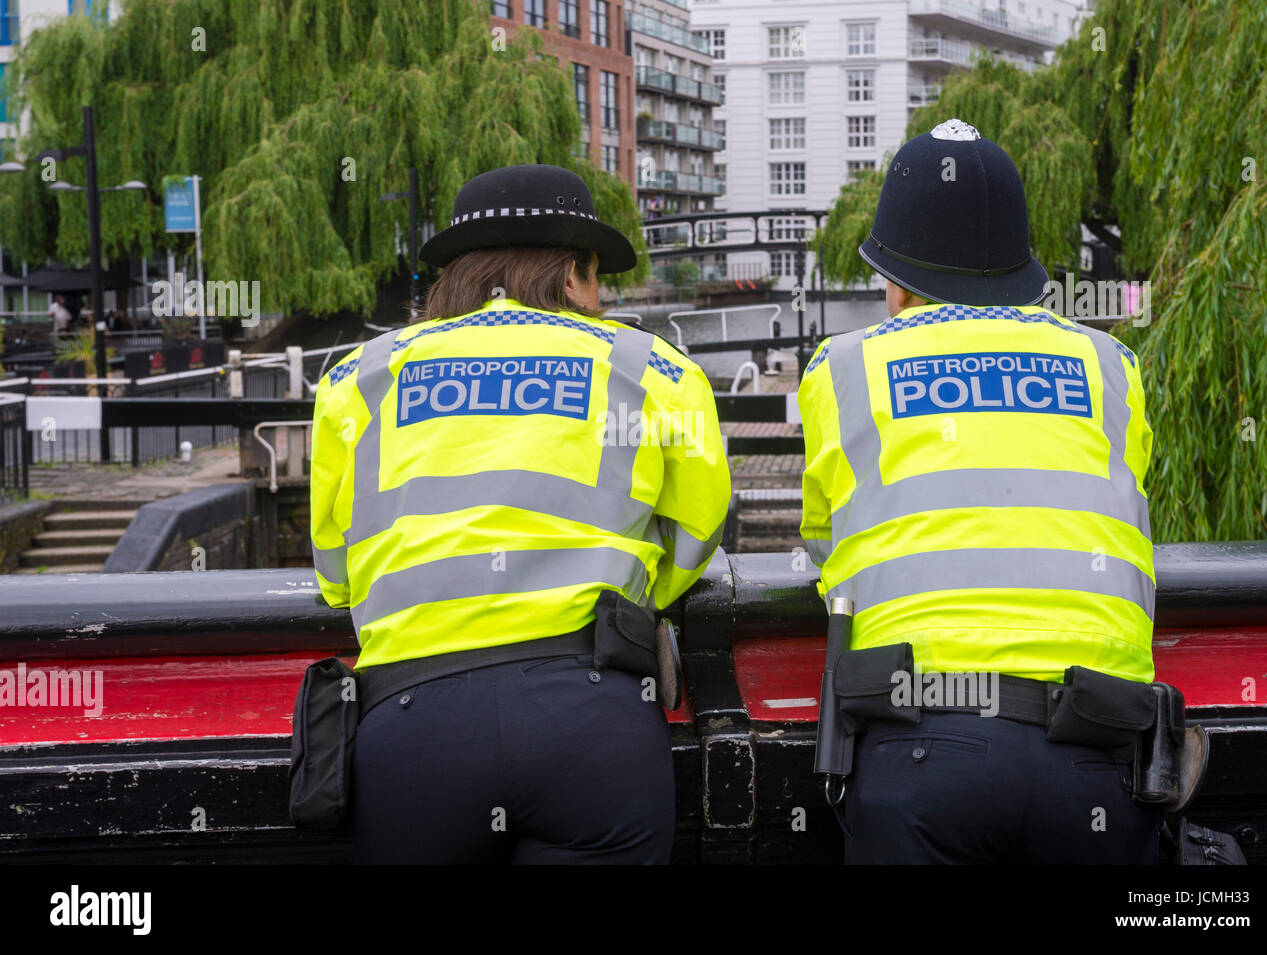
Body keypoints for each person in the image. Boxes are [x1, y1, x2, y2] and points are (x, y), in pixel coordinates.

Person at [310, 163, 730, 864]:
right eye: (597, 280)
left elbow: (336, 573)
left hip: (413, 729)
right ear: (570, 275)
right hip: (596, 723)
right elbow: (696, 530)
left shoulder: (359, 376)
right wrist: (632, 591)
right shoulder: (651, 368)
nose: (601, 301)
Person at [799, 119, 1163, 863]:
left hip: (921, 750)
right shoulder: (1110, 364)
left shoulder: (843, 368)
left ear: (894, 283)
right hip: (1099, 747)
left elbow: (825, 539)